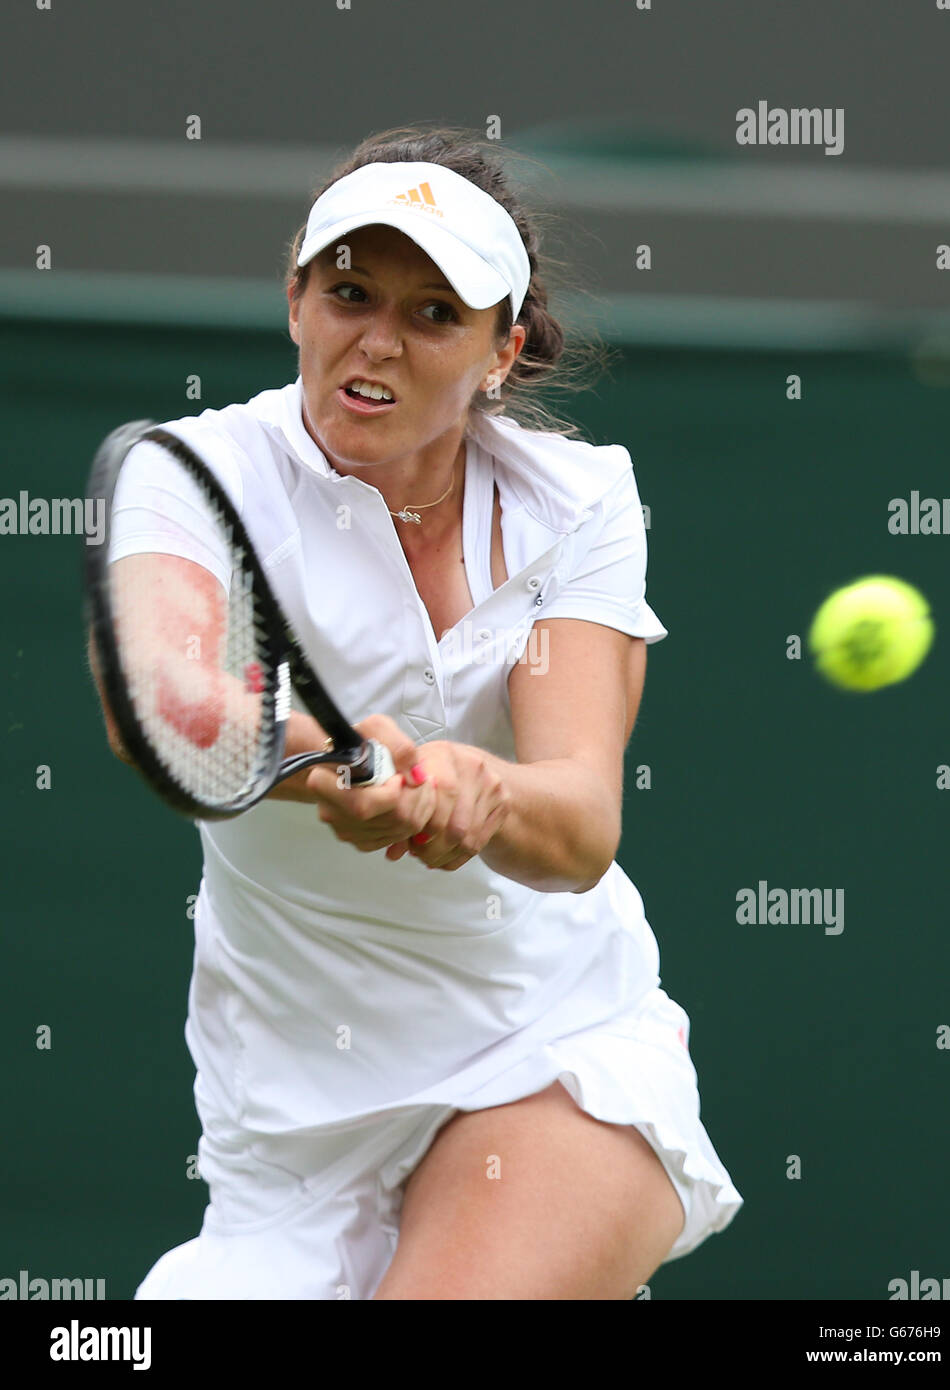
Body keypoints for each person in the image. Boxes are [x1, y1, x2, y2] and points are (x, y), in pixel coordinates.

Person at [102, 125, 742, 1300]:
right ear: (295, 300)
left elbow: (581, 820)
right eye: (348, 291)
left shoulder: (579, 500)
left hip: (544, 1050)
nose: (378, 340)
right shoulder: (189, 476)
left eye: (435, 313)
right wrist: (327, 755)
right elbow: (166, 696)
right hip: (287, 1137)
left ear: (502, 349)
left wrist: (482, 789)